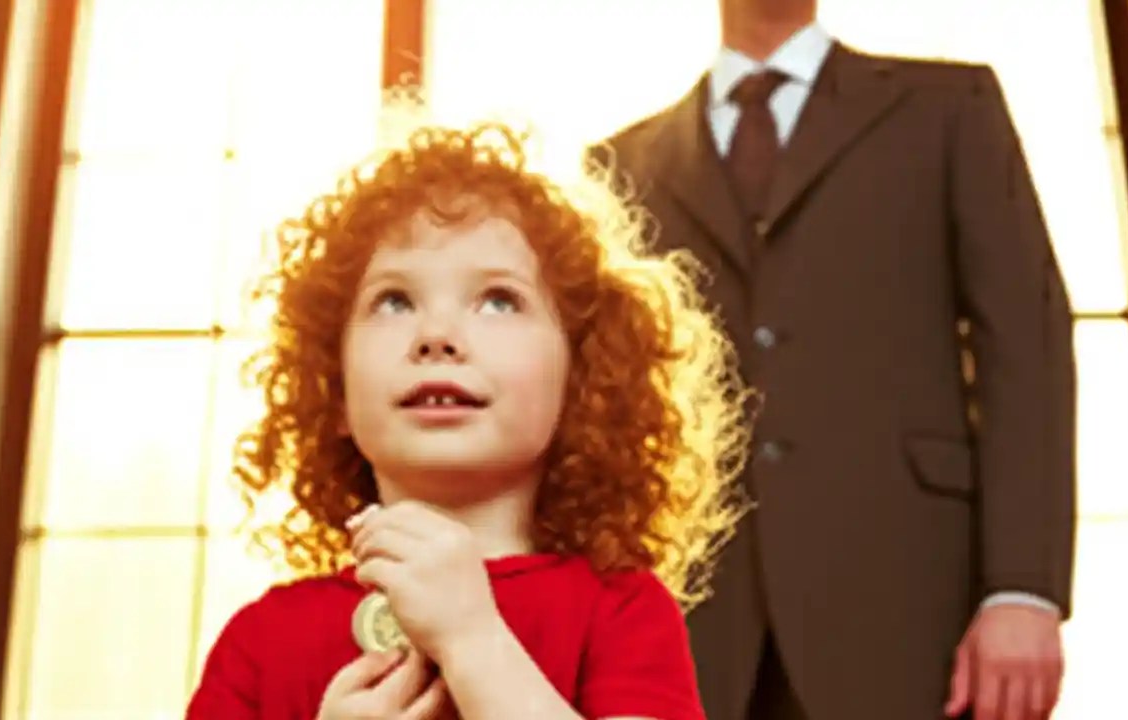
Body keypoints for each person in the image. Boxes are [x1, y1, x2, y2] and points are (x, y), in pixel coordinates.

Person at [589, 1, 1077, 718]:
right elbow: (607, 404)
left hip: (913, 605)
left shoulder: (949, 109)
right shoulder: (620, 166)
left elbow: (1026, 348)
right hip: (700, 628)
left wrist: (1023, 589)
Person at [186, 114, 752, 720]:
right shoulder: (259, 643)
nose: (437, 334)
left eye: (498, 301)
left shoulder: (623, 611)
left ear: (581, 381)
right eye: (394, 301)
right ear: (334, 389)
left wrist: (472, 639)